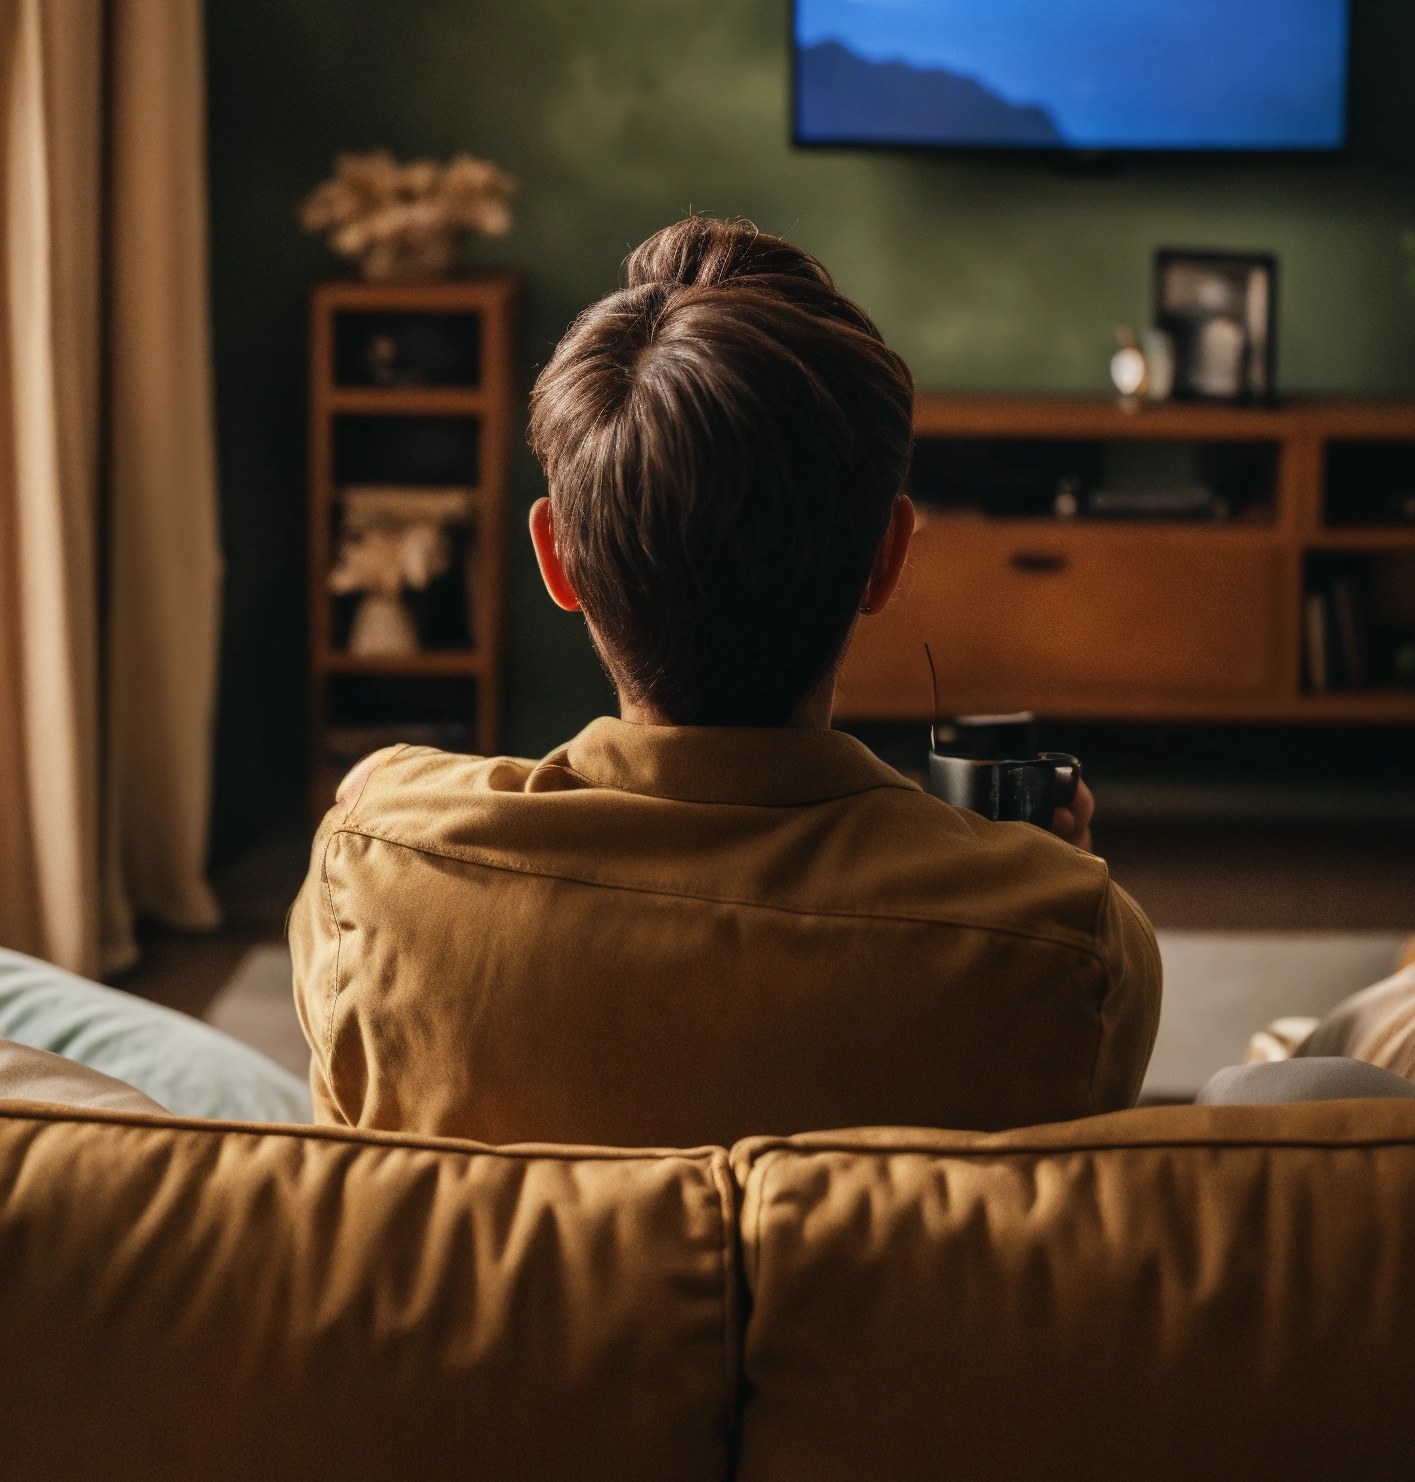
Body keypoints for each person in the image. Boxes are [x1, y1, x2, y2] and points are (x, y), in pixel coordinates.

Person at [288, 217, 1162, 1146]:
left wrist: (382, 788)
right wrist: (1036, 873)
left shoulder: (370, 878)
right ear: (888, 558)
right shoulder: (1073, 943)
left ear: (557, 560)